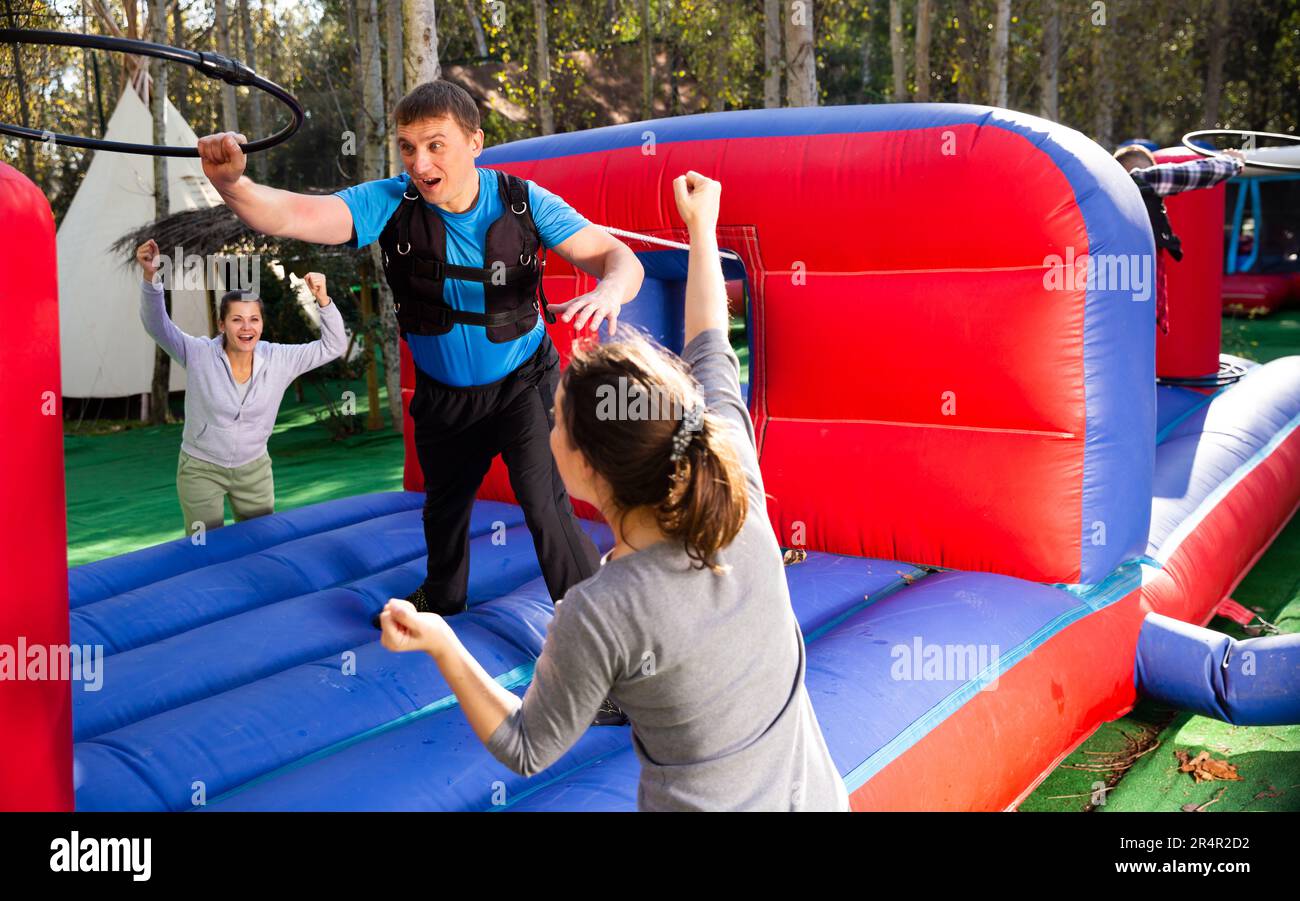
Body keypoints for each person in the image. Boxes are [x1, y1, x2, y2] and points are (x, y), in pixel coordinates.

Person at [375, 171, 851, 812]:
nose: (547, 422)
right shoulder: (734, 474)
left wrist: (441, 641)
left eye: (557, 418)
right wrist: (703, 229)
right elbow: (710, 340)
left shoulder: (599, 610)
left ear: (588, 470)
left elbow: (526, 747)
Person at [195, 79, 643, 726]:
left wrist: (614, 289)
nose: (421, 163)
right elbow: (292, 214)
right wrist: (234, 185)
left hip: (523, 381)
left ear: (474, 143)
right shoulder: (388, 202)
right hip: (442, 394)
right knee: (446, 503)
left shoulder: (521, 201)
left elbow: (615, 255)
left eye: (436, 145)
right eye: (408, 148)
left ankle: (603, 669)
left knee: (546, 507)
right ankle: (445, 593)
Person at [136, 239, 347, 537]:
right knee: (203, 547)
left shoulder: (279, 358)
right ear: (222, 325)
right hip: (201, 468)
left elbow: (334, 345)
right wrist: (151, 277)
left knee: (260, 545)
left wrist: (323, 299)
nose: (246, 328)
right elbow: (156, 325)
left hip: (254, 469)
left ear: (261, 324)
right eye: (237, 320)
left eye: (253, 320)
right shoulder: (197, 353)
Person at [1113, 144, 1246, 334]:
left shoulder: (1103, 195)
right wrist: (1233, 162)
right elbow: (1196, 173)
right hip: (1133, 294)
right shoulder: (1140, 180)